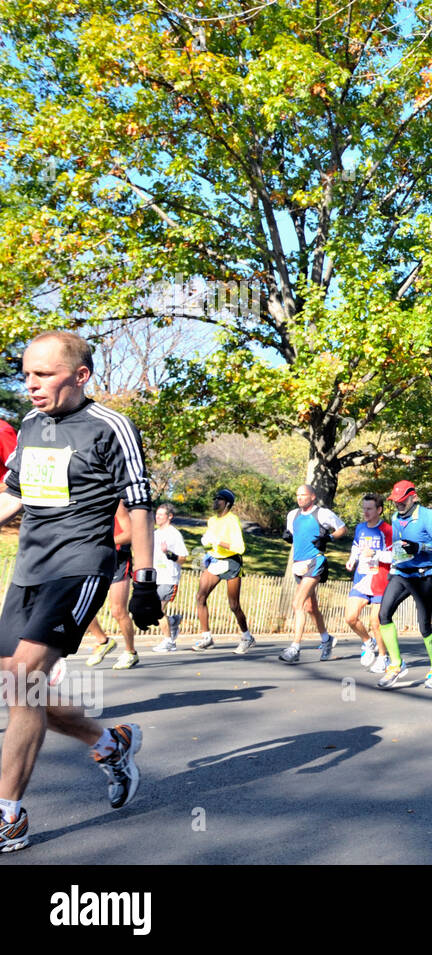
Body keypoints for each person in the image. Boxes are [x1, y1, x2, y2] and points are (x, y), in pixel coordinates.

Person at [0, 330, 163, 853]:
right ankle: (108, 742)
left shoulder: (110, 426)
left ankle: (8, 815)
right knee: (15, 686)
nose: (31, 384)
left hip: (82, 566)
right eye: (26, 374)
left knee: (24, 678)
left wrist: (144, 578)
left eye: (43, 374)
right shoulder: (29, 425)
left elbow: (138, 503)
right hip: (29, 568)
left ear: (80, 375)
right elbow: (13, 493)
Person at [374, 481, 432, 688]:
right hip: (400, 574)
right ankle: (396, 664)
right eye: (395, 501)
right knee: (384, 615)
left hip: (423, 575)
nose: (398, 505)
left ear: (413, 497)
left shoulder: (428, 516)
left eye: (402, 501)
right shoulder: (395, 518)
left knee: (424, 626)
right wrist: (393, 565)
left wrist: (421, 547)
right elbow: (399, 548)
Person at [279, 484, 347, 663]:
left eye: (303, 495)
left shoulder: (323, 514)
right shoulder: (292, 515)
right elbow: (295, 536)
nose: (300, 498)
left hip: (315, 562)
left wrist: (329, 537)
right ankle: (327, 639)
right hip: (298, 564)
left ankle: (295, 648)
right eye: (297, 495)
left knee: (297, 604)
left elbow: (342, 528)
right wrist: (288, 537)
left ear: (312, 497)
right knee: (310, 607)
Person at [193, 488, 254, 653]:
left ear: (227, 503)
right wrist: (207, 545)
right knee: (200, 596)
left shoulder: (232, 520)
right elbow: (211, 540)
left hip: (232, 561)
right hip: (216, 560)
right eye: (215, 498)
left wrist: (219, 542)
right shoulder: (212, 520)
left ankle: (247, 636)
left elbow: (239, 548)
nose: (215, 501)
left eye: (218, 499)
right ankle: (206, 637)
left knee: (233, 605)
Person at [83, 502, 140, 670]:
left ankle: (131, 652)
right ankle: (103, 641)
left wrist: (101, 542)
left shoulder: (117, 503)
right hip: (97, 559)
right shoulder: (88, 500)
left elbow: (130, 534)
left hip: (119, 560)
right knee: (83, 606)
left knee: (118, 610)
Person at [345, 492, 393, 669]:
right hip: (362, 577)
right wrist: (352, 559)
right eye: (364, 508)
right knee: (350, 617)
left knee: (375, 621)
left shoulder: (387, 530)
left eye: (369, 509)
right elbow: (356, 546)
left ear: (379, 510)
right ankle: (368, 641)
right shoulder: (360, 528)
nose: (365, 512)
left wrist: (376, 554)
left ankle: (383, 657)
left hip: (380, 579)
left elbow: (394, 556)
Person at [149, 502, 189, 651]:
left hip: (169, 578)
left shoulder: (174, 534)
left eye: (161, 514)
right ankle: (172, 621)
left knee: (158, 611)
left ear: (169, 516)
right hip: (155, 578)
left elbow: (183, 558)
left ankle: (169, 641)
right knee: (149, 611)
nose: (157, 517)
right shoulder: (155, 533)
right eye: (156, 514)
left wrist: (168, 554)